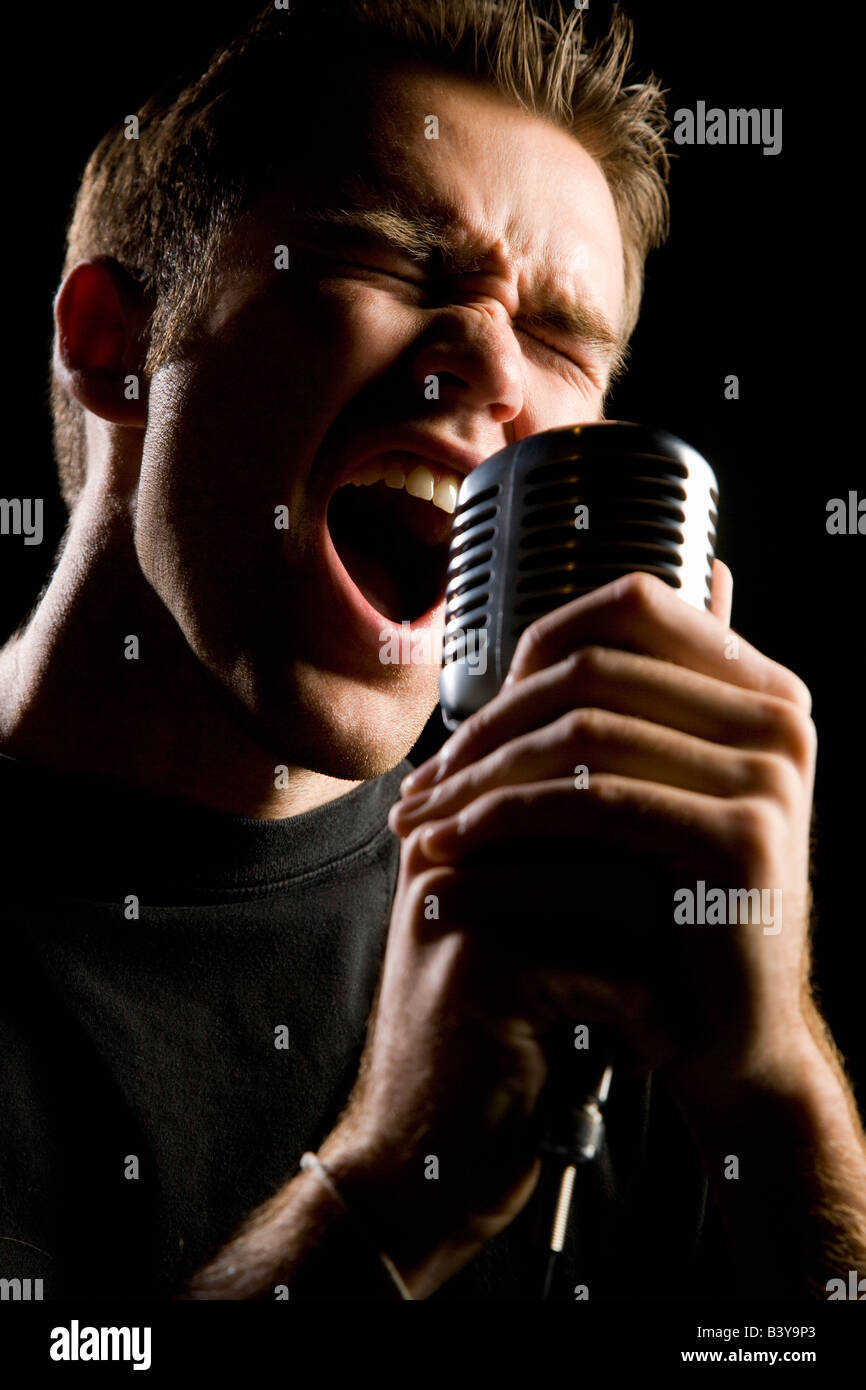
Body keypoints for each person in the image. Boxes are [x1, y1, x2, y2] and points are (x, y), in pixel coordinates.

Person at [1, 0, 864, 1303]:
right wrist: (386, 1186)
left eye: (564, 338)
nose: (491, 363)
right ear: (112, 347)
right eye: (397, 264)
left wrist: (772, 1090)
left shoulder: (587, 898)